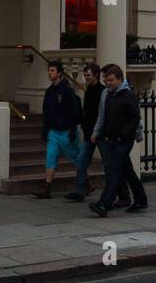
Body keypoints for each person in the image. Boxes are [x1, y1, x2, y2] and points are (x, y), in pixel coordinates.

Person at [89, 64, 148, 217]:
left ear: (120, 79)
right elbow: (104, 116)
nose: (108, 83)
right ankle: (141, 199)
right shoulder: (109, 94)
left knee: (114, 171)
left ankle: (104, 204)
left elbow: (135, 117)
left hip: (123, 140)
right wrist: (99, 131)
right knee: (127, 171)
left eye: (111, 80)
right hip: (112, 139)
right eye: (107, 80)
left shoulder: (129, 95)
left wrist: (127, 134)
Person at [34, 61, 82, 198]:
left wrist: (73, 128)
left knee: (76, 158)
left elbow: (73, 110)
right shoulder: (49, 92)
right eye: (49, 70)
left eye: (53, 70)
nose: (50, 73)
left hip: (67, 130)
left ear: (60, 73)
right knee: (50, 157)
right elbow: (46, 111)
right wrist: (45, 129)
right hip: (54, 131)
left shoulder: (67, 90)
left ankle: (86, 181)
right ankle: (47, 187)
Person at [64, 63, 102, 202]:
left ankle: (120, 192)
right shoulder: (89, 90)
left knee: (109, 163)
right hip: (88, 133)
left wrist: (96, 130)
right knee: (81, 162)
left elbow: (100, 114)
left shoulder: (101, 91)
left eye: (88, 75)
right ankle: (80, 190)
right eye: (85, 75)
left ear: (96, 75)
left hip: (99, 133)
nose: (86, 78)